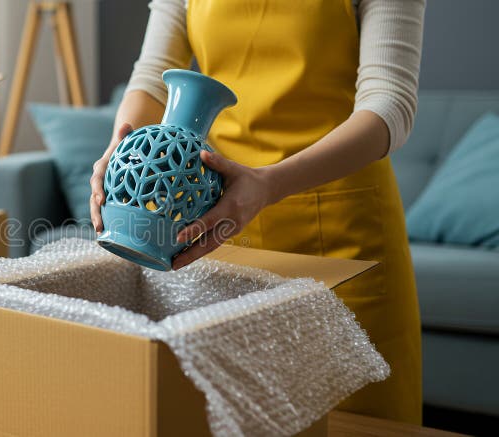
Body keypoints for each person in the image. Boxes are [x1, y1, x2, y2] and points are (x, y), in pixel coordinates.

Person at [90, 0, 426, 425]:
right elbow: (153, 77)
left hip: (344, 235)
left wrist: (269, 184)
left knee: (355, 424)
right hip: (220, 227)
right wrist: (122, 155)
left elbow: (390, 102)